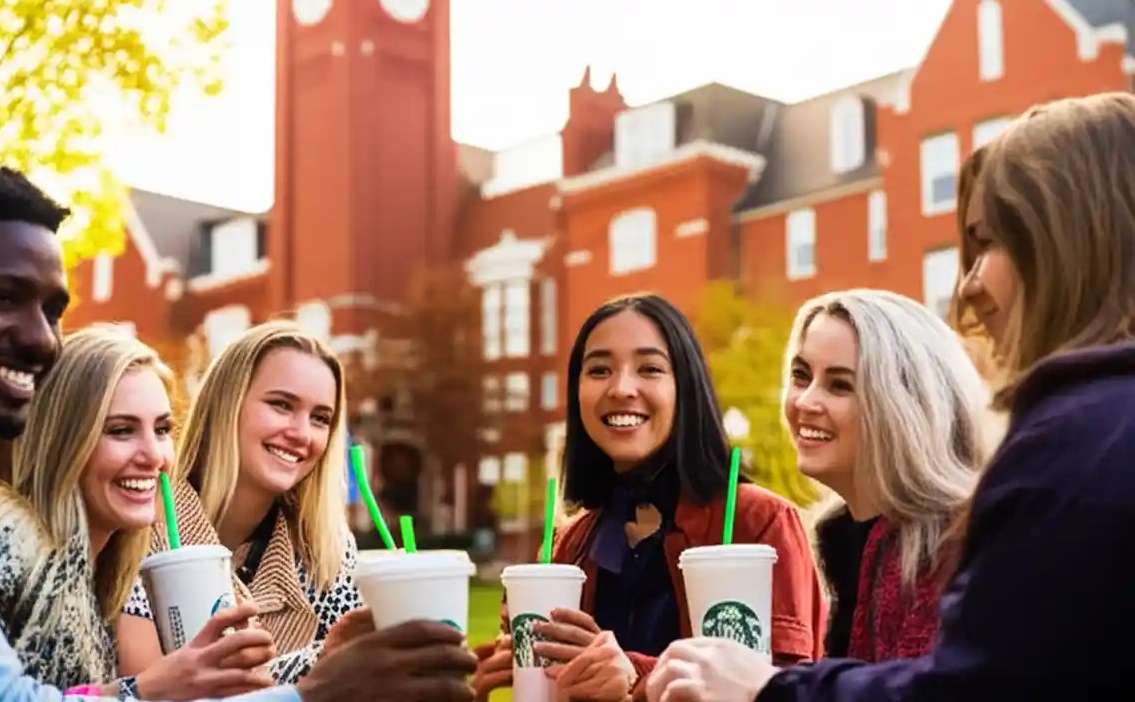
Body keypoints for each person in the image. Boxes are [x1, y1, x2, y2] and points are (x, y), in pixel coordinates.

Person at [0, 153, 478, 701]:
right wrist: (313, 691)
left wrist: (152, 690)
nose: (42, 340)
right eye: (2, 299)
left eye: (51, 311)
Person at [646, 92, 1135, 701]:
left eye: (990, 243)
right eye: (800, 375)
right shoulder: (856, 543)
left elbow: (972, 688)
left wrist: (771, 690)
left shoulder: (1069, 449)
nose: (969, 287)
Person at [475, 293, 827, 701]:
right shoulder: (569, 545)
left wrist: (636, 675)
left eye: (650, 369)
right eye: (599, 370)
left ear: (686, 388)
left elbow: (788, 688)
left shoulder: (758, 522)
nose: (622, 388)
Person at [0, 325, 276, 697]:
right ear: (62, 440)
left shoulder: (104, 572)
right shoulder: (12, 535)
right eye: (120, 430)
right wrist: (149, 689)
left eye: (162, 430)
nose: (154, 456)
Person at [117, 319, 365, 685]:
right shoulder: (140, 521)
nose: (301, 434)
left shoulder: (325, 550)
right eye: (281, 405)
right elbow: (160, 690)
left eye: (320, 418)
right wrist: (325, 665)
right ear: (227, 404)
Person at [785, 289, 996, 662]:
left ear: (904, 407)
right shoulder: (848, 539)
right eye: (801, 376)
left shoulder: (941, 549)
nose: (804, 401)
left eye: (840, 385)